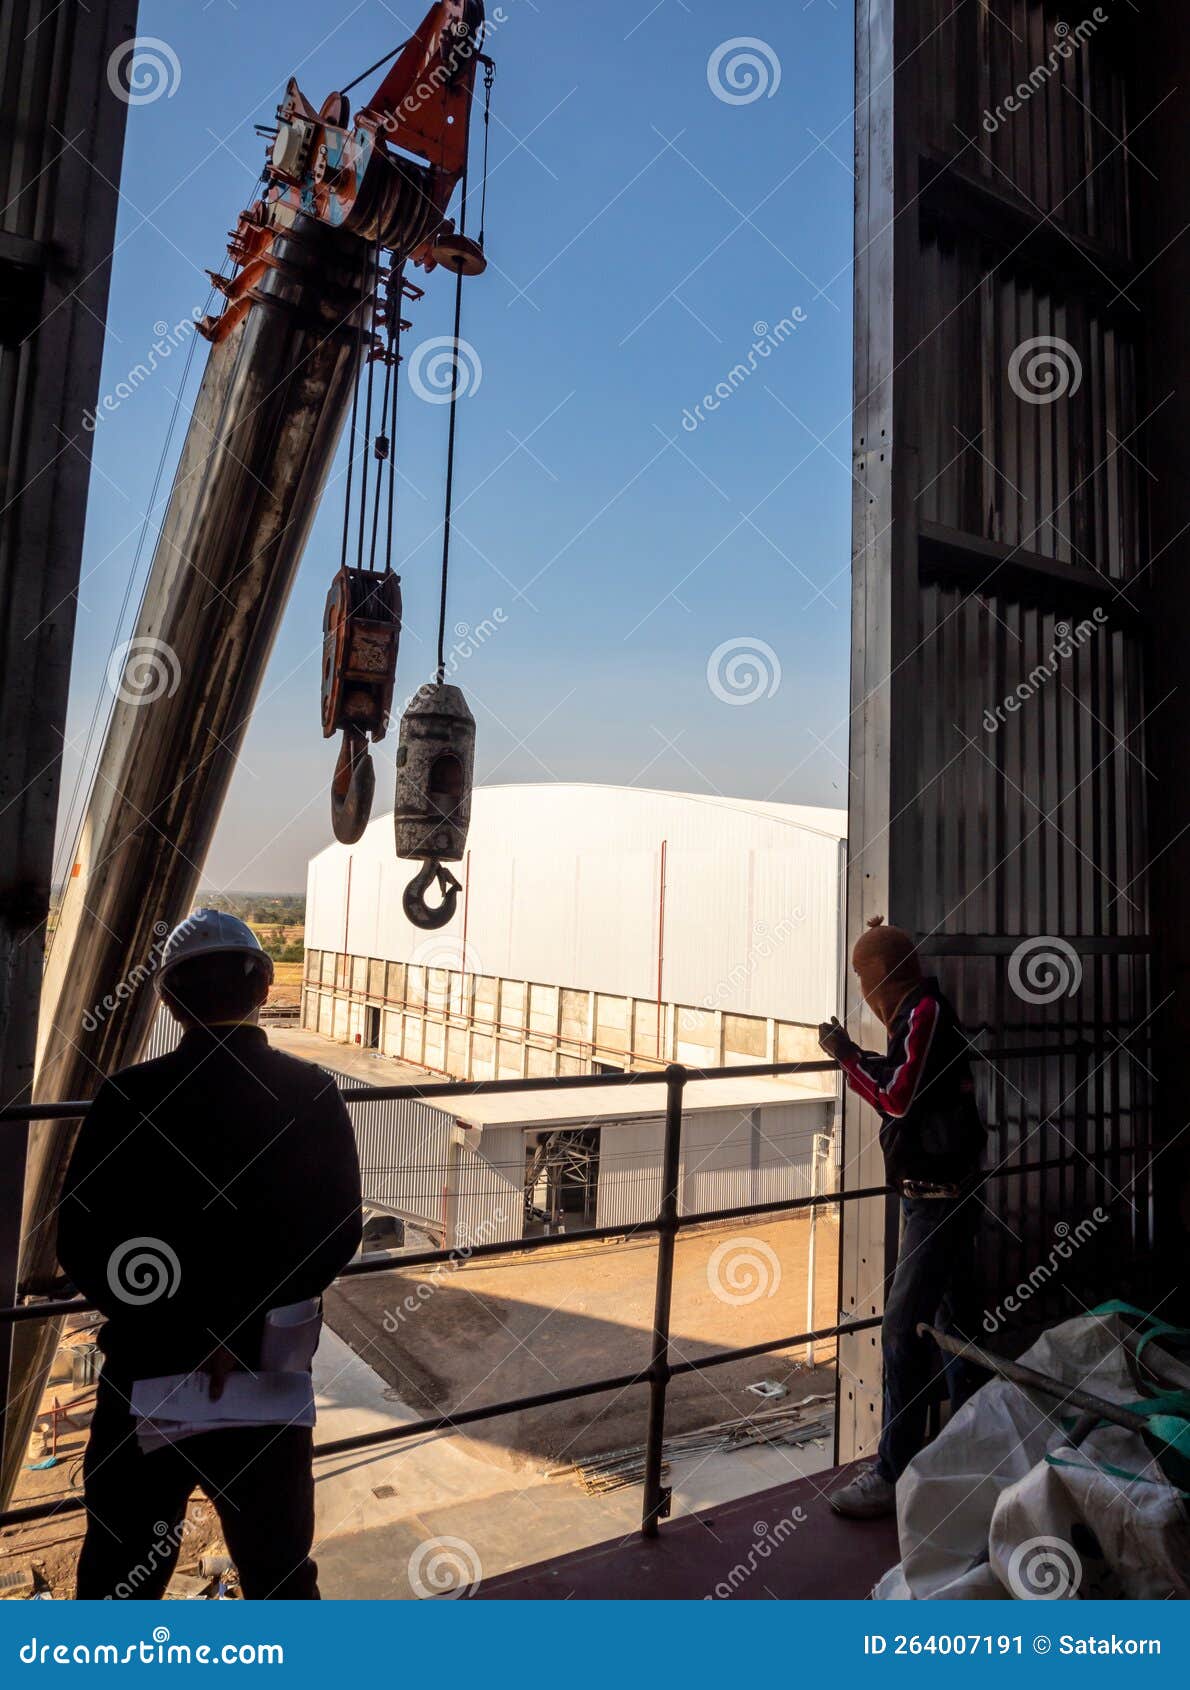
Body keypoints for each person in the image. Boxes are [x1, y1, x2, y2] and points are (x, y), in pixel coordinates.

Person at [58, 910, 362, 1599]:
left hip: (148, 1373)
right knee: (280, 1575)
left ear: (168, 1000)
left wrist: (188, 1331)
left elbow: (80, 1241)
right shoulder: (311, 1092)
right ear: (263, 989)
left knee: (119, 1575)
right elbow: (336, 1233)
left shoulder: (127, 1096)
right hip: (267, 1375)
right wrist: (235, 1330)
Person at [818, 916, 985, 1520]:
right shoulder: (917, 1015)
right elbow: (901, 1080)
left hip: (938, 1199)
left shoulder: (923, 1014)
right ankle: (974, 1445)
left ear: (882, 977)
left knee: (900, 1331)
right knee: (957, 1327)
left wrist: (845, 1057)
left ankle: (893, 1473)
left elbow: (895, 1097)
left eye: (866, 980)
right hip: (940, 1193)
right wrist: (858, 1056)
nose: (867, 994)